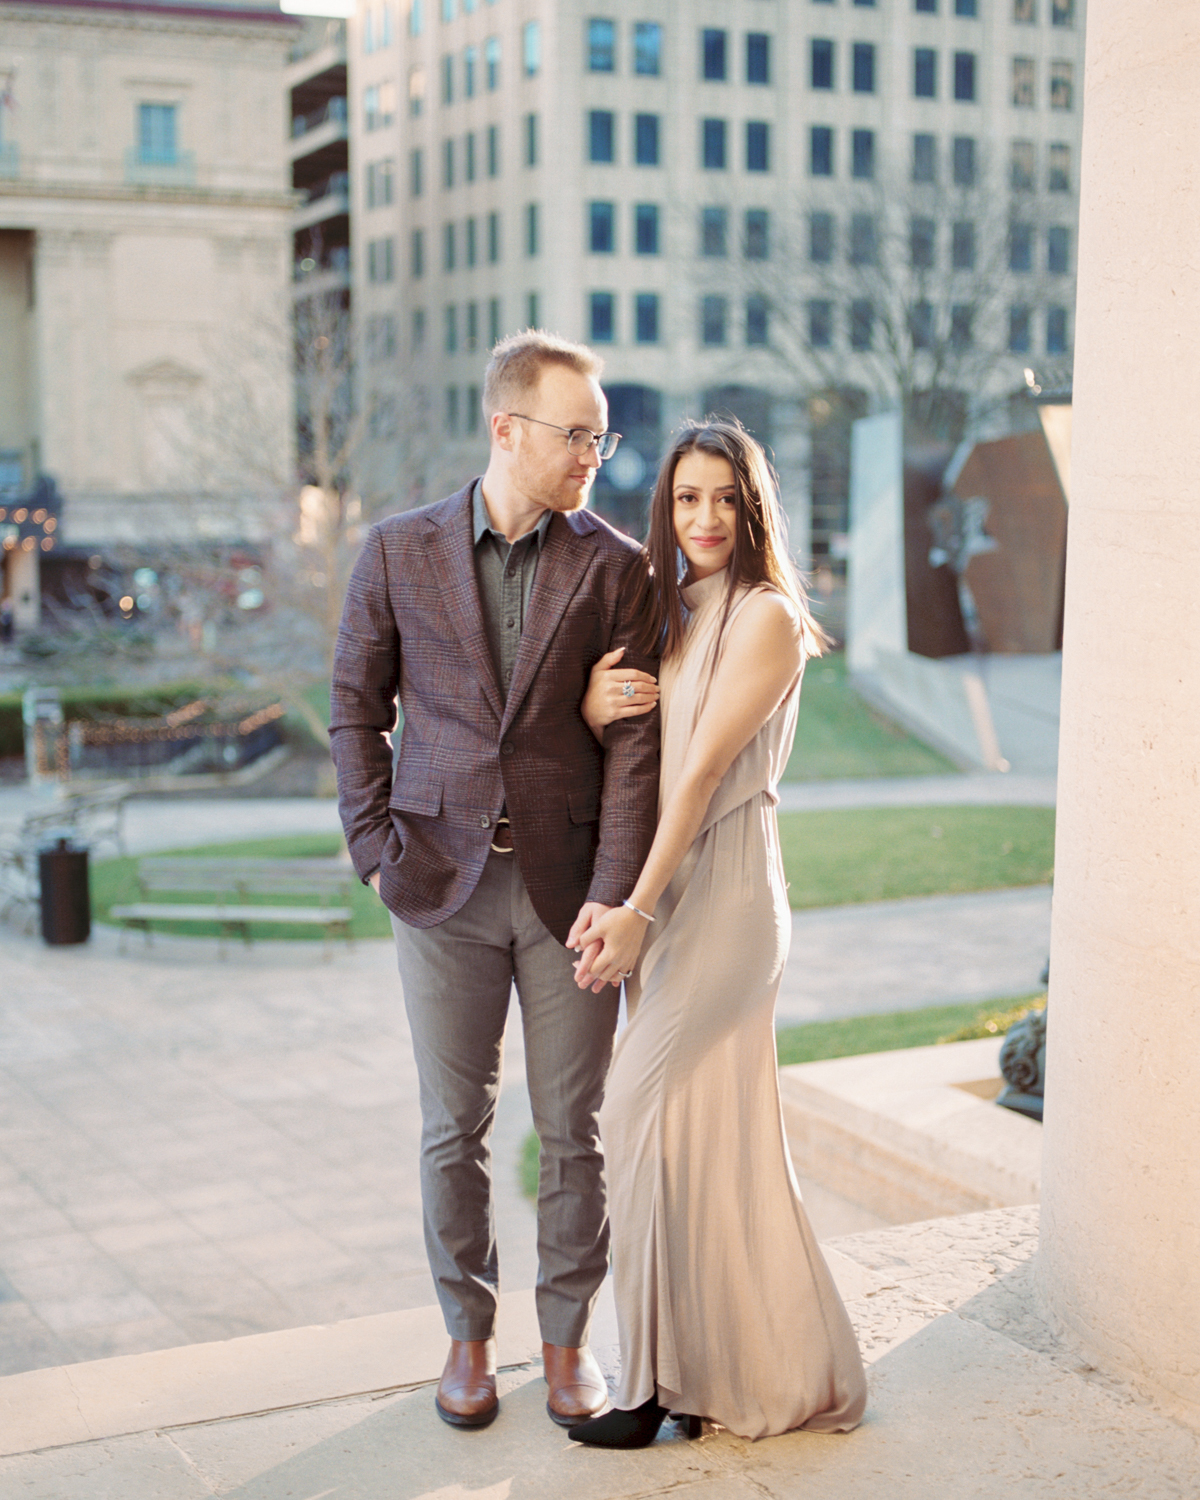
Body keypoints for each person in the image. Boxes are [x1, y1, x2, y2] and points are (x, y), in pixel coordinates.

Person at [329, 331, 660, 1431]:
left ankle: (566, 1348)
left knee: (575, 1130)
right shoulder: (396, 551)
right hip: (438, 886)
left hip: (570, 894)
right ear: (506, 429)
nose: (593, 457)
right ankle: (466, 1341)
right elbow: (353, 708)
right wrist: (373, 849)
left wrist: (617, 892)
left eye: (601, 436)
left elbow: (633, 752)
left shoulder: (615, 567)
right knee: (450, 1127)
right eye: (577, 434)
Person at [564, 418, 868, 1447]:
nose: (703, 518)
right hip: (669, 892)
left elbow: (699, 777)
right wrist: (597, 710)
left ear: (753, 508)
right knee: (695, 1147)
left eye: (725, 499)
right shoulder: (672, 611)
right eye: (687, 498)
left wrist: (640, 914)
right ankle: (700, 1380)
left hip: (725, 900)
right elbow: (648, 754)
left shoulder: (767, 617)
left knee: (633, 1119)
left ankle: (649, 1385)